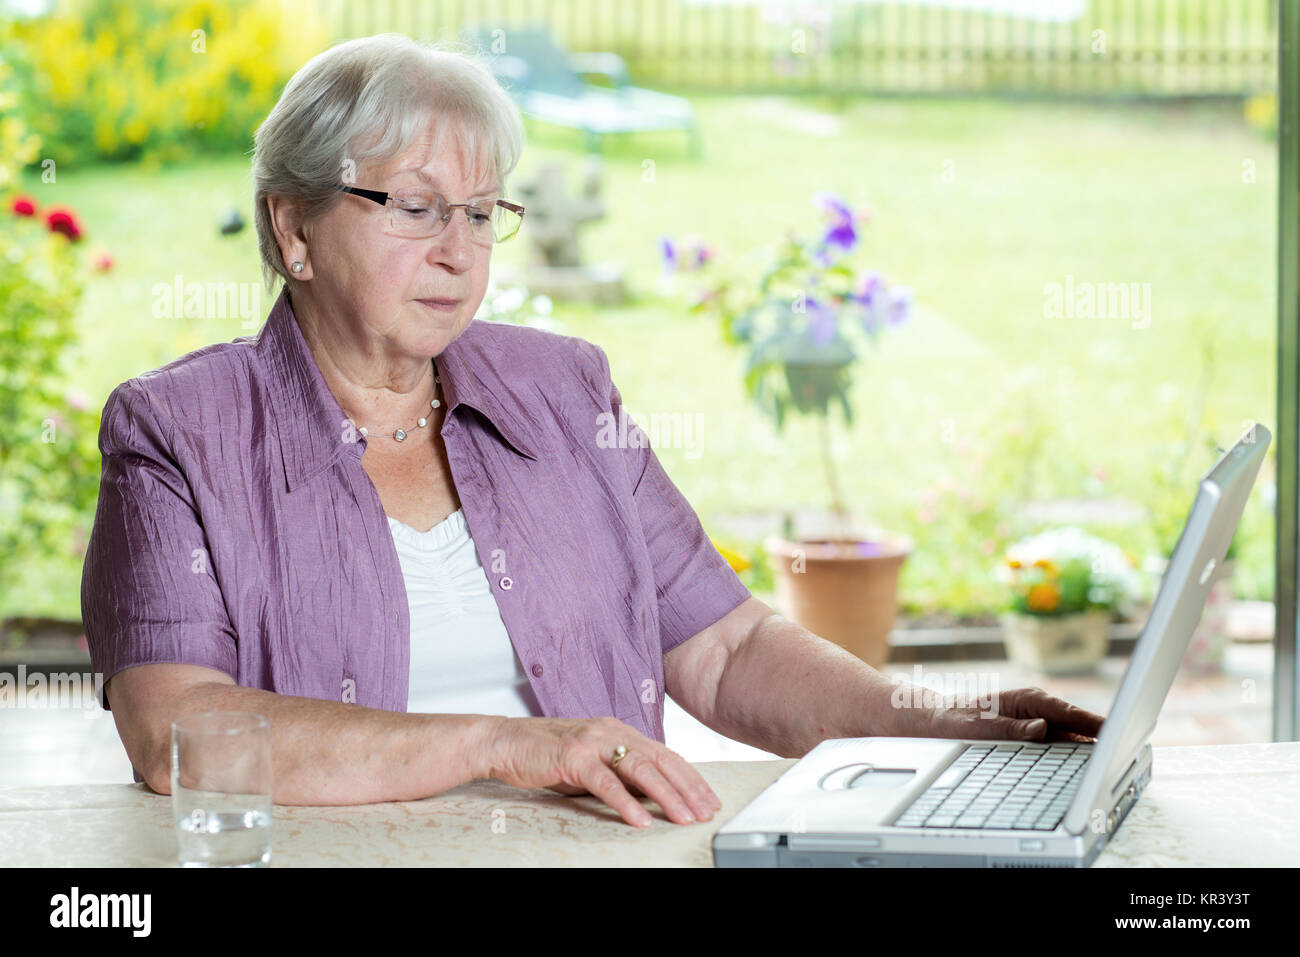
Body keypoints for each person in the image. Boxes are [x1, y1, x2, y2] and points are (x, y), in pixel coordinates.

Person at [81, 33, 1104, 830]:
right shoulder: (178, 431)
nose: (458, 253)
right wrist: (506, 744)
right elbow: (175, 731)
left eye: (482, 215)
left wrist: (943, 723)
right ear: (292, 229)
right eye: (418, 208)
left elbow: (729, 646)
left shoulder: (565, 390)